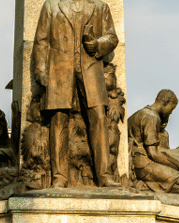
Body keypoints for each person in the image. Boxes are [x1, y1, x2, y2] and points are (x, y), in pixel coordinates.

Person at [31, 0, 119, 188]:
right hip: (59, 70)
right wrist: (40, 71)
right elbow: (41, 40)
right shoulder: (52, 6)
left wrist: (97, 44)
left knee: (99, 119)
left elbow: (112, 37)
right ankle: (59, 177)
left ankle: (105, 175)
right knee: (58, 120)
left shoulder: (100, 6)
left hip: (90, 69)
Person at [127, 89, 179, 196]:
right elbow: (153, 154)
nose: (171, 112)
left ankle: (146, 185)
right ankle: (141, 186)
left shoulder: (139, 114)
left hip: (136, 162)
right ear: (165, 103)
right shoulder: (152, 117)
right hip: (143, 164)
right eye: (171, 108)